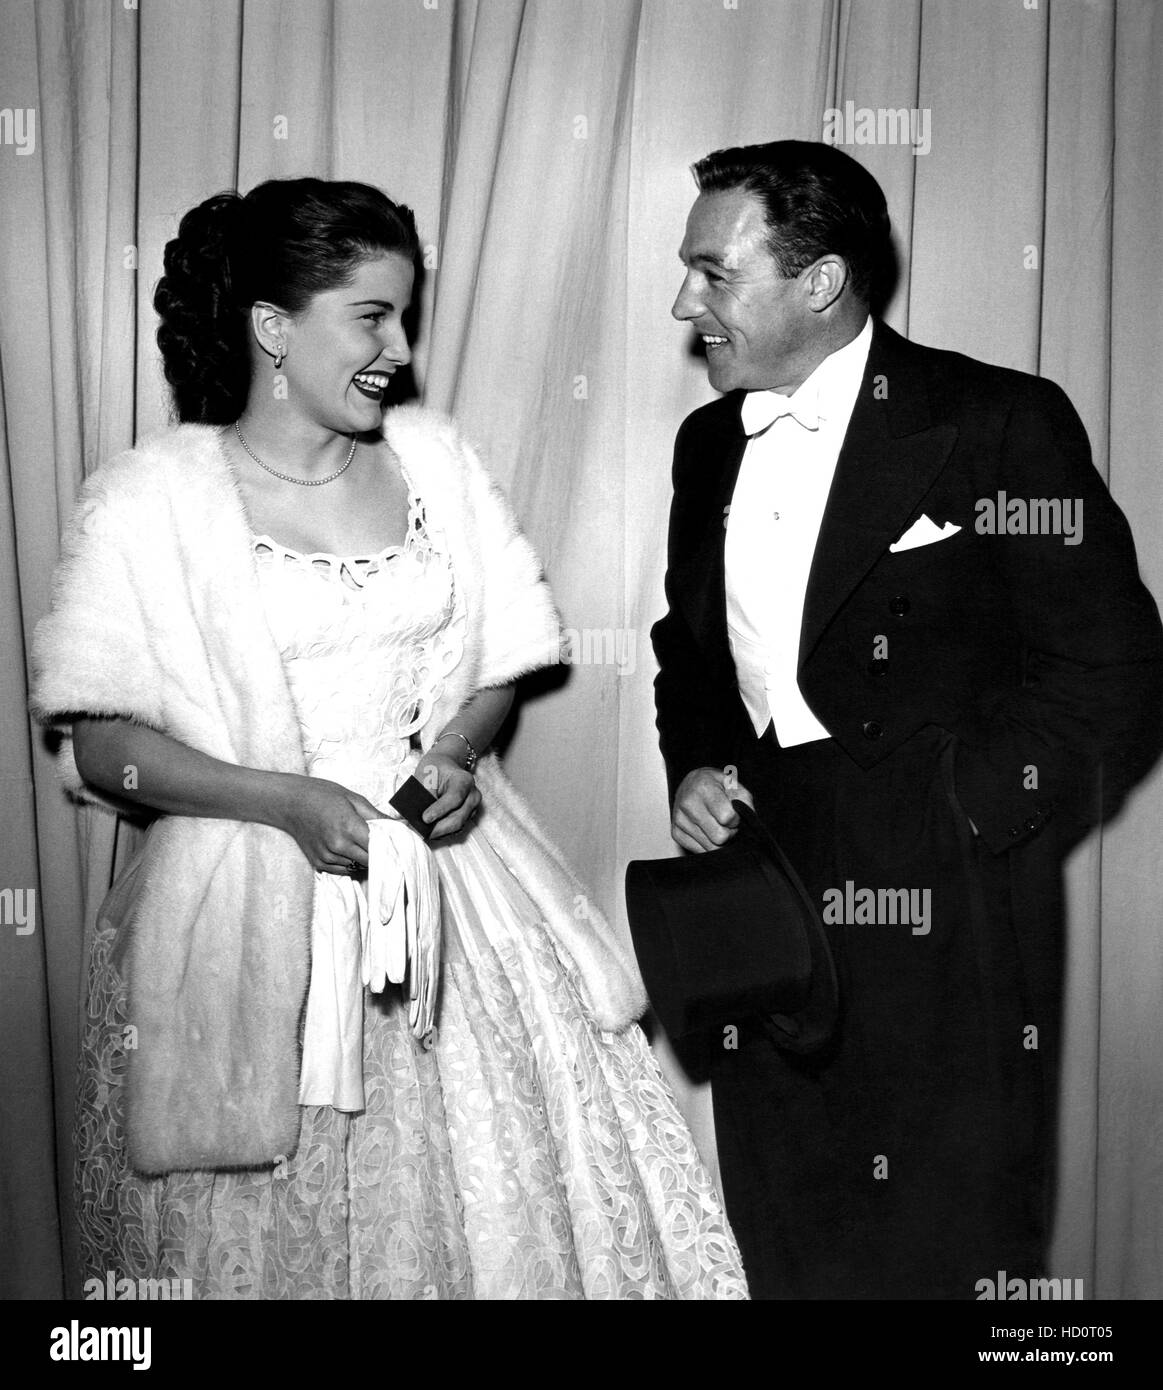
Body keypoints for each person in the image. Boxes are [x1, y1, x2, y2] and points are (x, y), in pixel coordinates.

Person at [31, 177, 746, 1300]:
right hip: (244, 904)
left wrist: (457, 751)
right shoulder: (151, 500)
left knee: (502, 1209)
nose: (398, 348)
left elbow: (495, 668)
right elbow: (101, 744)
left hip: (457, 886)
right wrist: (282, 801)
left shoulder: (435, 467)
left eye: (403, 315)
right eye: (370, 315)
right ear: (272, 325)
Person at [651, 140, 1163, 1299]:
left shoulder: (995, 423)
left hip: (949, 917)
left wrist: (959, 814)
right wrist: (694, 762)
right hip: (756, 902)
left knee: (947, 1254)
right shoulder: (704, 445)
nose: (684, 302)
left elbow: (1113, 667)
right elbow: (682, 652)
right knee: (782, 1234)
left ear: (819, 282)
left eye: (709, 273)